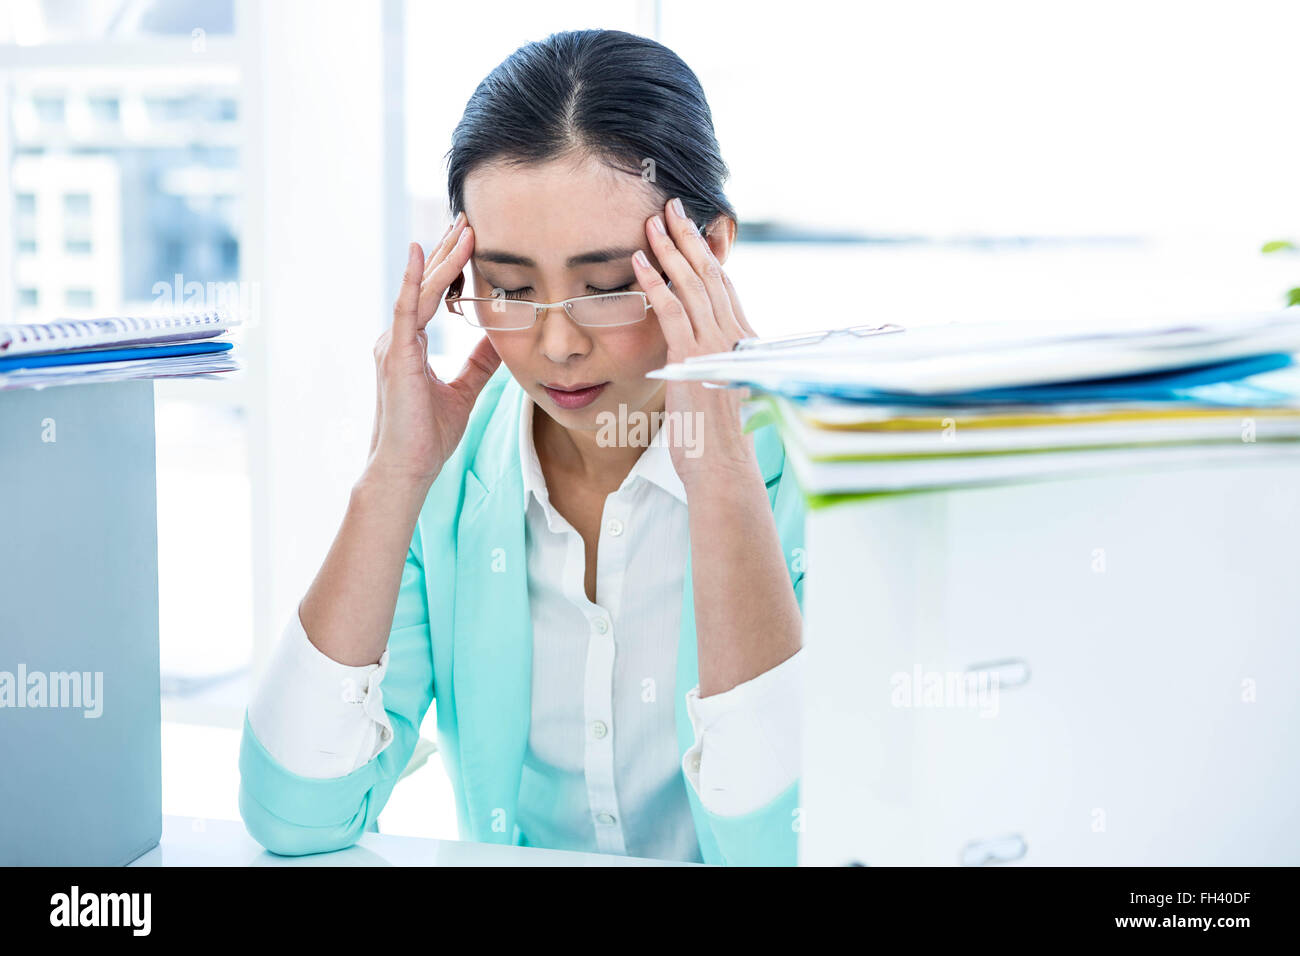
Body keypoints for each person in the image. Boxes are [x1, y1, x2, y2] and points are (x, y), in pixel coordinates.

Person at [238, 28, 807, 866]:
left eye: (609, 287)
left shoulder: (823, 472)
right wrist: (395, 477)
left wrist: (719, 471)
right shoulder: (455, 472)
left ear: (709, 254)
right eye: (507, 288)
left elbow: (787, 851)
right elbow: (294, 817)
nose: (556, 345)